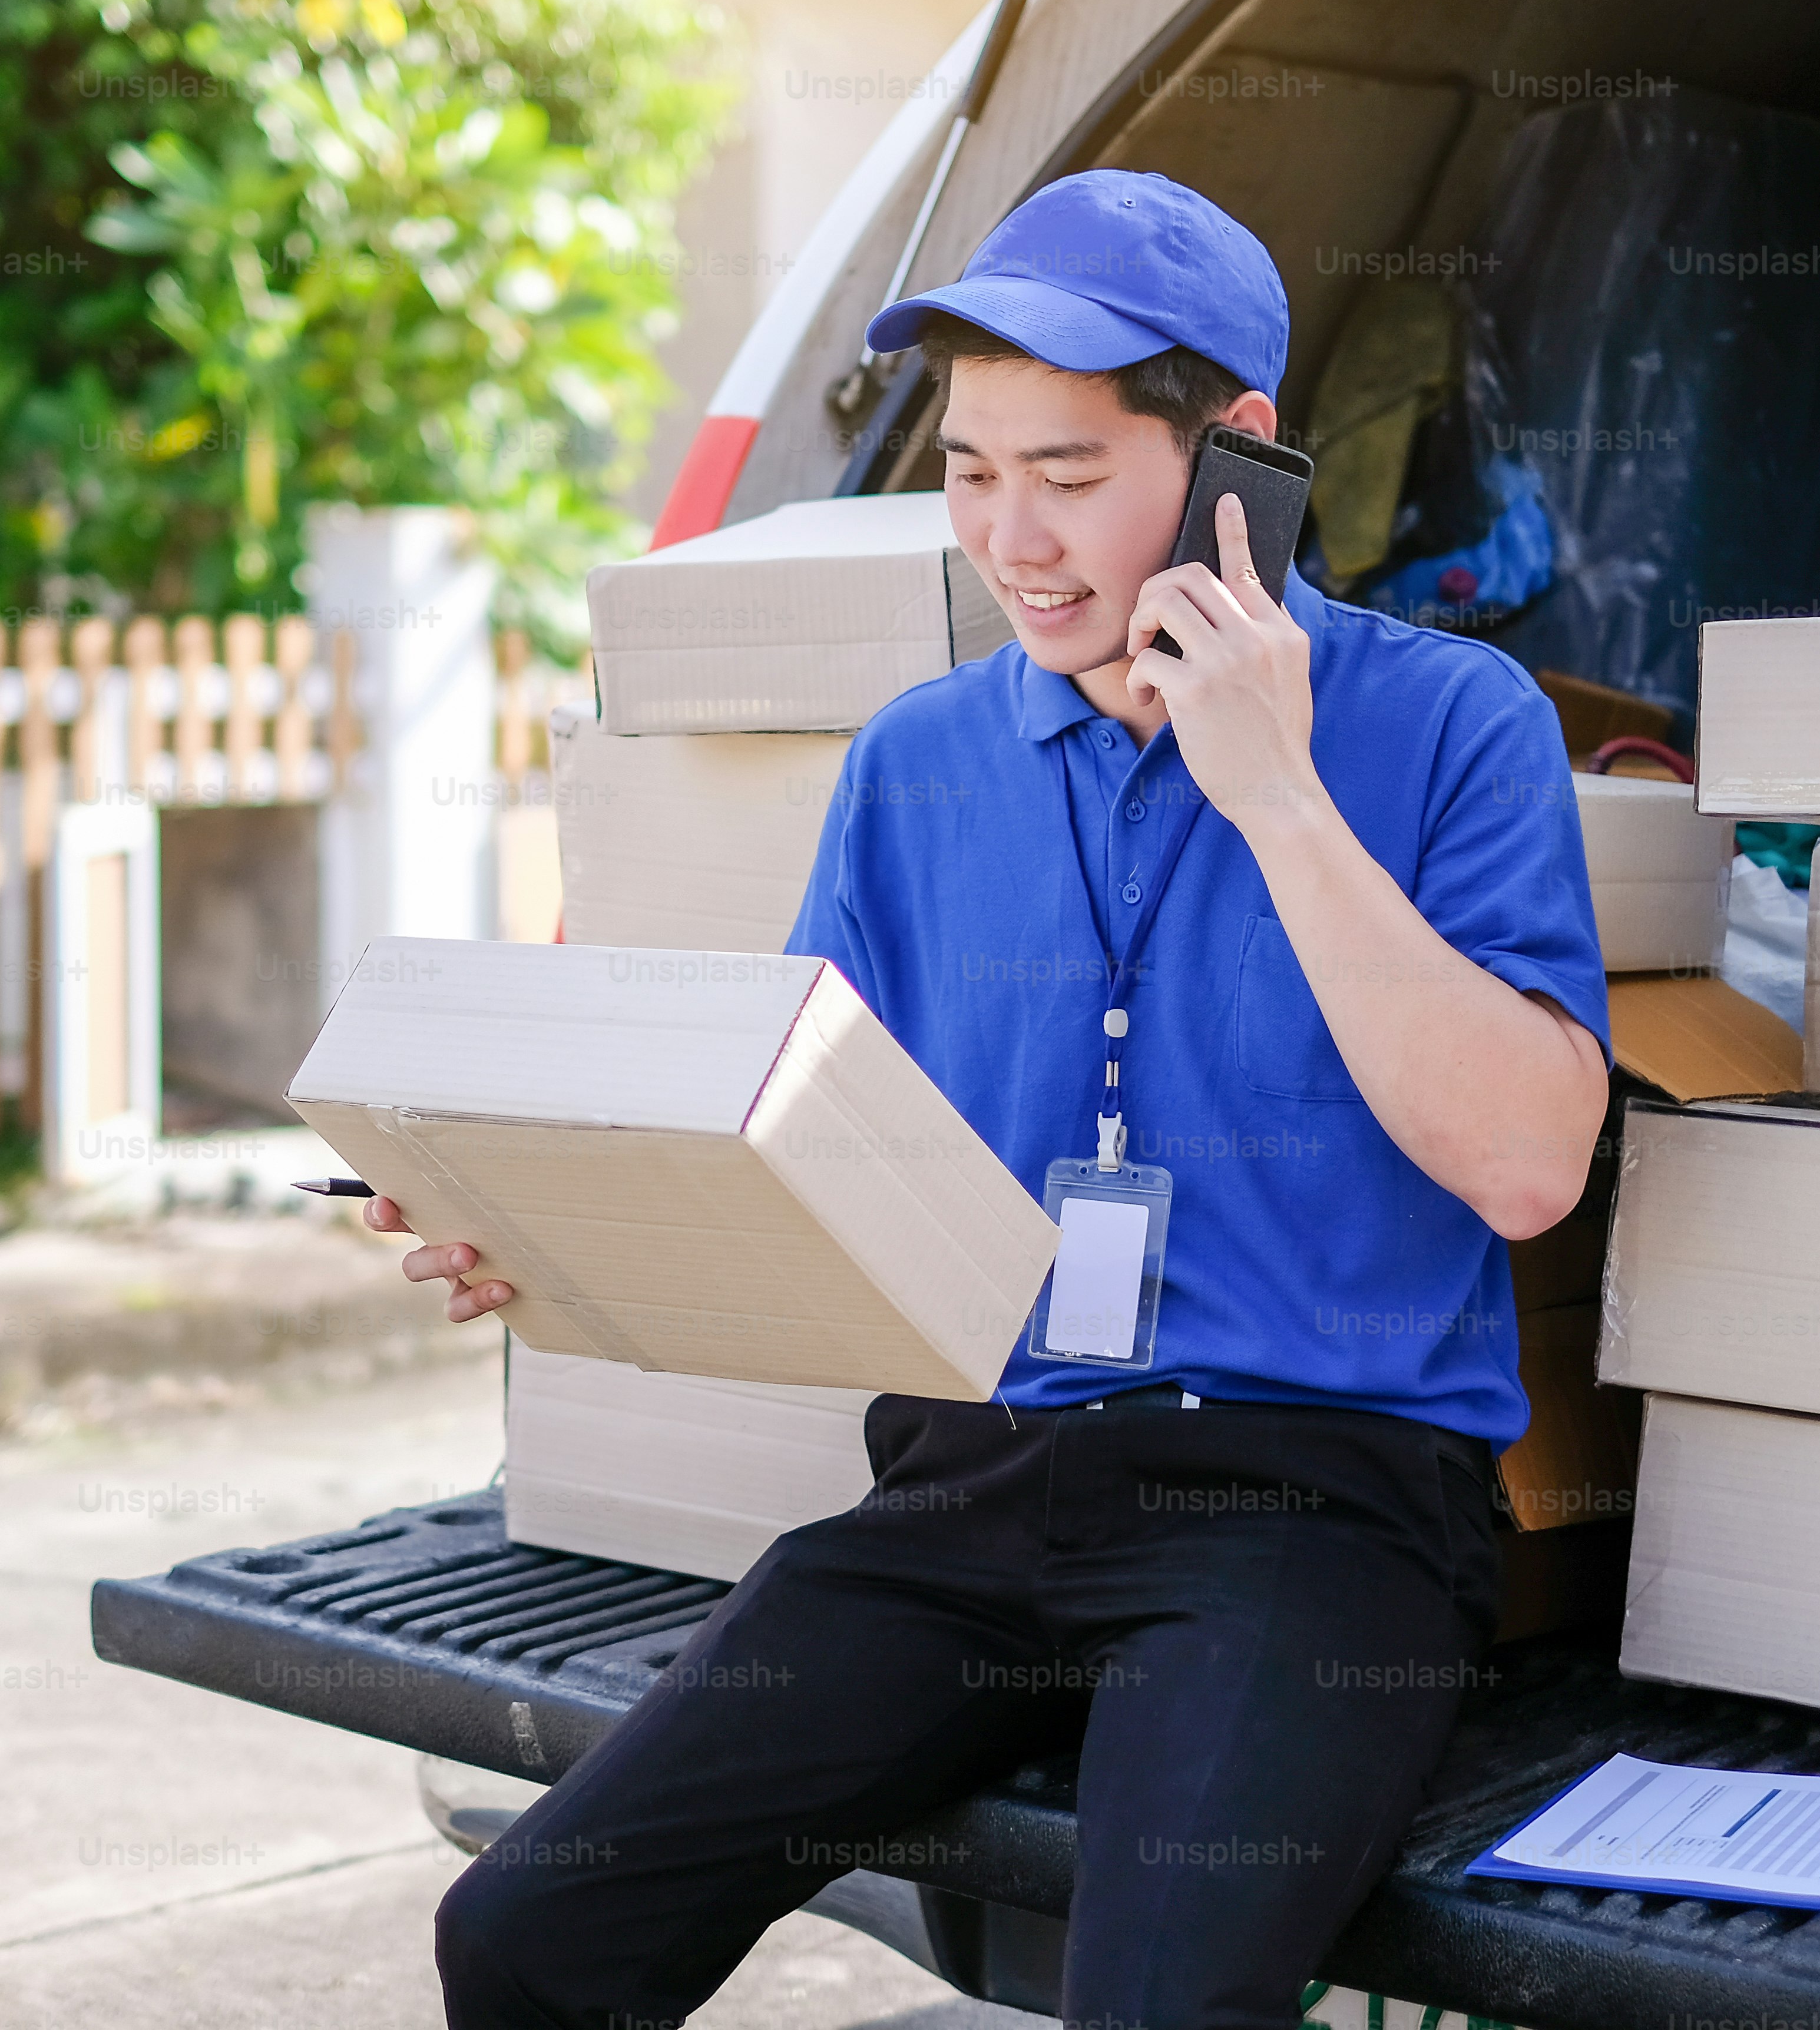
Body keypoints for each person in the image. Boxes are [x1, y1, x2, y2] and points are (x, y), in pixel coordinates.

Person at [373, 168, 1613, 2030]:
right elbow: (794, 1147)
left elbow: (1527, 1164)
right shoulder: (918, 760)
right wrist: (542, 1234)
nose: (1011, 541)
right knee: (527, 1936)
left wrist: (1275, 790)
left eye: (1070, 471)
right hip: (966, 1492)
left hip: (1311, 1506)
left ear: (1235, 459)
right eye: (969, 472)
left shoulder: (1453, 724)